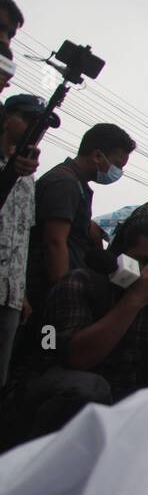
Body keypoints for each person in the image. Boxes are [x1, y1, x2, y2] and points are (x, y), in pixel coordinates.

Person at [11, 202, 148, 443]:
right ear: (120, 256)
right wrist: (133, 301)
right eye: (143, 261)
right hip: (58, 392)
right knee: (89, 387)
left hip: (122, 397)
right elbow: (78, 359)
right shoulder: (80, 283)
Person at [24, 123, 135, 359]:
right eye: (117, 165)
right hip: (45, 299)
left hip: (51, 297)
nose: (117, 172)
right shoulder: (64, 183)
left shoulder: (78, 185)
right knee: (43, 355)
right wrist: (62, 297)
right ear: (97, 155)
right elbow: (55, 242)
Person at [0, 94, 45, 386]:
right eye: (27, 119)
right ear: (8, 117)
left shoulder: (27, 177)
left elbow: (22, 234)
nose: (32, 127)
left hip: (10, 292)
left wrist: (22, 291)